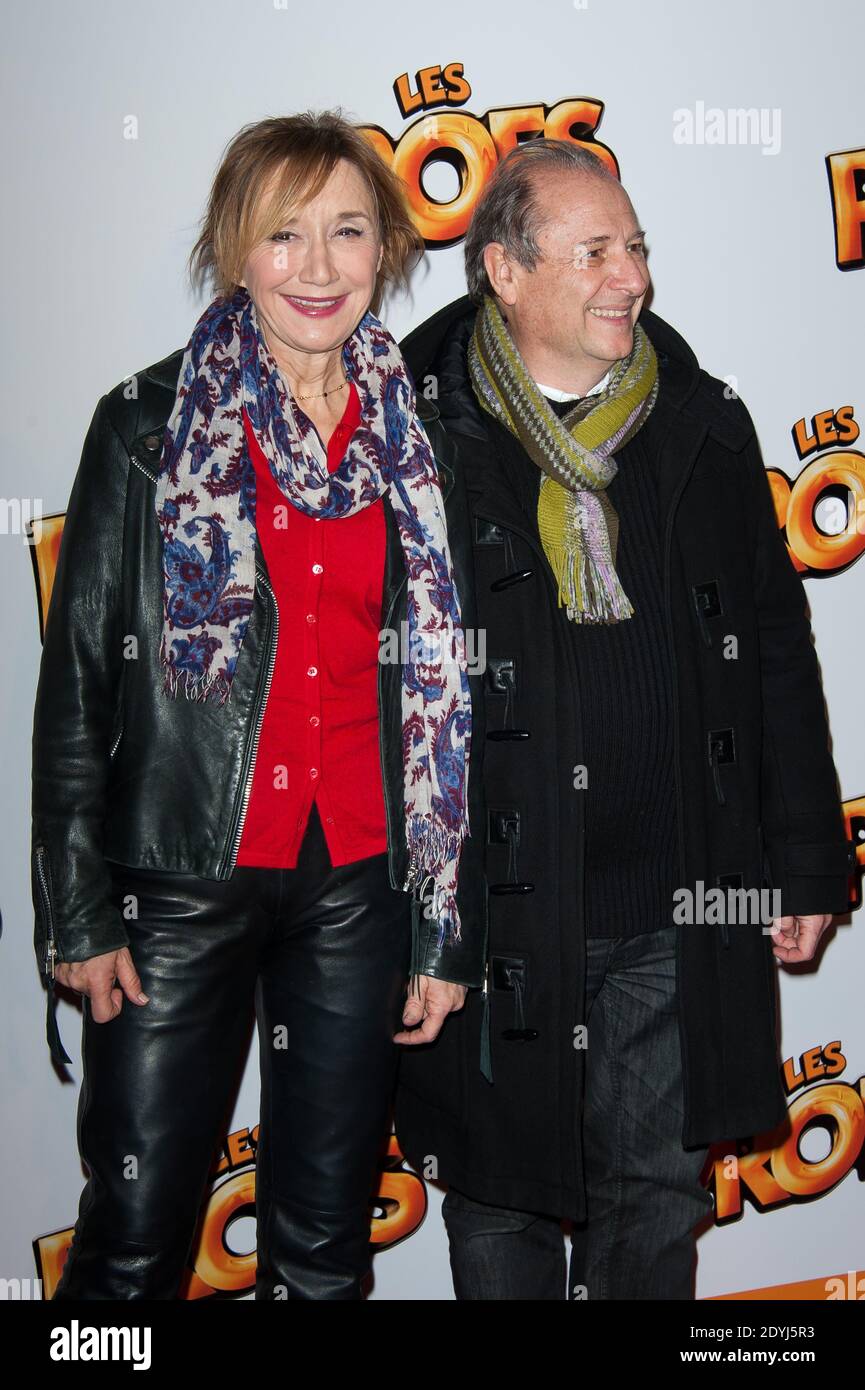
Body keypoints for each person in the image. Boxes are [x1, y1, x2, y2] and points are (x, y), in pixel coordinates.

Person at [30, 110, 486, 1301]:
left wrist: (440, 928)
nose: (320, 268)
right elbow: (77, 683)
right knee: (129, 1245)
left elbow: (444, 699)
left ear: (385, 247)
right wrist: (78, 912)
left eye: (347, 231)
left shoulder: (417, 436)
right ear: (236, 253)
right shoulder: (143, 425)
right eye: (285, 236)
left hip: (360, 881)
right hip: (177, 879)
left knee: (325, 1250)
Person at [394, 139, 856, 1300]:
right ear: (503, 270)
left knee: (654, 1195)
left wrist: (803, 863)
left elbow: (775, 660)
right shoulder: (413, 437)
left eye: (636, 246)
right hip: (495, 922)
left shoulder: (698, 417)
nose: (629, 276)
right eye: (594, 250)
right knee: (500, 1201)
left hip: (675, 904)